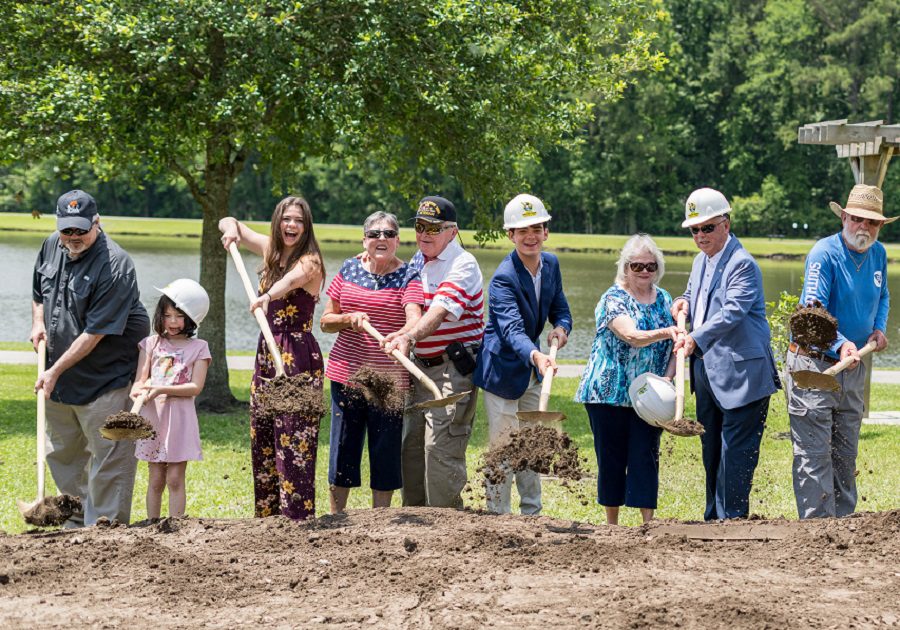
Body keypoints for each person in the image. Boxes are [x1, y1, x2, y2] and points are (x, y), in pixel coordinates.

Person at [31, 190, 150, 527]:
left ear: (96, 223)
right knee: (65, 455)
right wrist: (38, 322)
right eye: (67, 230)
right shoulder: (51, 244)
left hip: (105, 378)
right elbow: (39, 291)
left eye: (80, 231)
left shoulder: (116, 266)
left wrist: (53, 370)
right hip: (61, 377)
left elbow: (94, 333)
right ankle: (74, 524)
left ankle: (105, 531)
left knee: (109, 457)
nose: (73, 238)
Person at [671, 187, 780, 521]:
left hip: (742, 375)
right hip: (707, 371)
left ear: (726, 224)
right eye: (695, 230)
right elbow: (696, 293)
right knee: (712, 449)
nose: (701, 235)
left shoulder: (742, 264)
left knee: (736, 451)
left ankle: (731, 521)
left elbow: (732, 311)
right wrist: (682, 300)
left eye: (708, 227)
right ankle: (712, 519)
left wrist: (694, 338)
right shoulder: (700, 260)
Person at [786, 184, 893, 519]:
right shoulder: (824, 254)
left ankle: (845, 529)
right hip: (814, 365)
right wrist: (840, 343)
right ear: (844, 217)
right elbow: (811, 316)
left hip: (852, 367)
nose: (864, 227)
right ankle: (817, 532)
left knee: (846, 454)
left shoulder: (878, 254)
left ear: (880, 226)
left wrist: (878, 328)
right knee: (814, 454)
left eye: (872, 222)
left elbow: (884, 296)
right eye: (858, 219)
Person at [218, 196, 326, 520]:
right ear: (278, 221)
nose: (291, 225)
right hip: (267, 353)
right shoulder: (271, 251)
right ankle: (266, 523)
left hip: (297, 357)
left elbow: (291, 281)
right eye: (286, 219)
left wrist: (267, 295)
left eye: (298, 220)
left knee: (294, 444)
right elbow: (230, 221)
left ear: (306, 227)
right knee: (262, 439)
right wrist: (229, 232)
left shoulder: (311, 261)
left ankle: (296, 521)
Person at [473, 194, 572, 515]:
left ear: (546, 231)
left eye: (537, 228)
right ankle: (498, 517)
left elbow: (560, 307)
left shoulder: (552, 264)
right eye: (522, 230)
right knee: (503, 448)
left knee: (531, 445)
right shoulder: (504, 278)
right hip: (502, 371)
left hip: (532, 370)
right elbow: (512, 331)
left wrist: (561, 328)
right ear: (510, 235)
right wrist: (537, 357)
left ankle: (532, 514)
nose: (530, 236)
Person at [383, 196, 484, 508]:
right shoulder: (417, 261)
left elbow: (439, 311)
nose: (424, 234)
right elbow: (406, 300)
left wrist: (408, 337)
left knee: (439, 449)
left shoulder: (463, 264)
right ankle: (415, 522)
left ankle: (447, 529)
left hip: (452, 370)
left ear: (452, 232)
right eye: (419, 226)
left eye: (434, 228)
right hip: (417, 368)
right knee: (410, 447)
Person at [320, 211, 424, 513]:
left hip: (389, 381)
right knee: (343, 449)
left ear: (397, 241)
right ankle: (336, 518)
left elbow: (414, 318)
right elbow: (326, 322)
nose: (382, 239)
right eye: (375, 234)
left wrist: (400, 336)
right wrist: (348, 319)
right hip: (346, 374)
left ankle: (380, 521)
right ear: (364, 239)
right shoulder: (349, 269)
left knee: (385, 451)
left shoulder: (408, 276)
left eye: (389, 234)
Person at [574, 234, 677, 525]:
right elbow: (630, 336)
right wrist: (667, 332)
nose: (644, 271)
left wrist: (668, 379)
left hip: (650, 395)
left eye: (650, 266)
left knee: (646, 455)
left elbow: (675, 349)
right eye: (637, 266)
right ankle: (612, 525)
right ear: (625, 267)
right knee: (612, 459)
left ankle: (647, 523)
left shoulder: (665, 298)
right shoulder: (613, 298)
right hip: (609, 392)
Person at [132, 279, 211, 519]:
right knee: (155, 478)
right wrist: (138, 392)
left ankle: (175, 525)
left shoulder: (199, 347)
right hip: (153, 418)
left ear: (191, 318)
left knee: (175, 478)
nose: (174, 322)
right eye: (168, 316)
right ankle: (152, 524)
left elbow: (195, 387)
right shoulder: (151, 343)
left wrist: (160, 388)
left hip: (179, 420)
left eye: (179, 316)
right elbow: (140, 380)